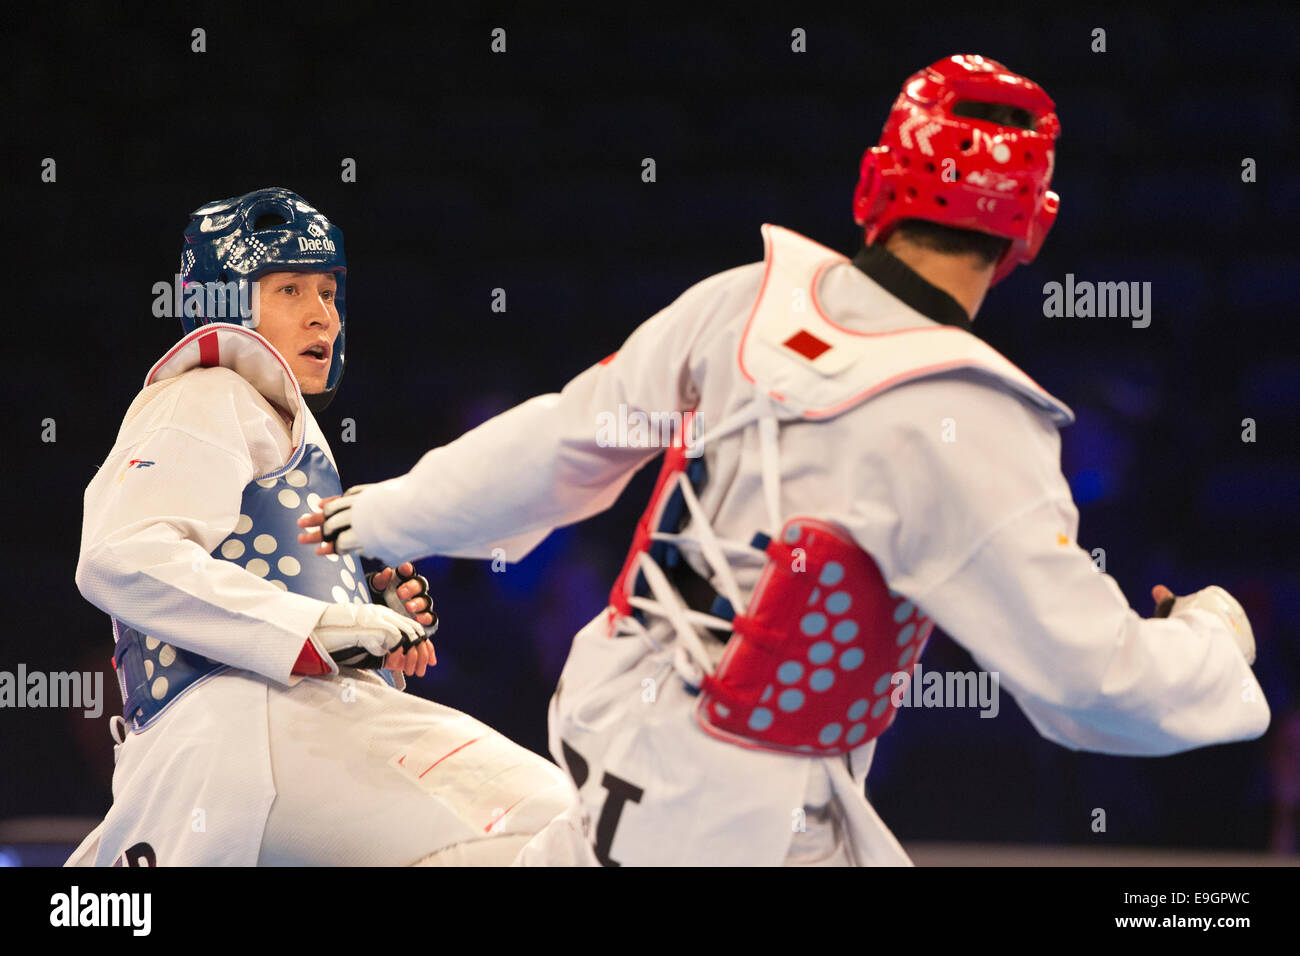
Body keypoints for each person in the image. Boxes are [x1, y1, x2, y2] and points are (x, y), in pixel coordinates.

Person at [302, 56, 1270, 866]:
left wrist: (388, 511)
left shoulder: (745, 302)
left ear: (871, 183)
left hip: (606, 747)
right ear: (1031, 229)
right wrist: (1215, 640)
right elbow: (1090, 685)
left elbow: (559, 443)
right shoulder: (972, 423)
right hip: (737, 825)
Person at [68, 186, 573, 866]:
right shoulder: (208, 389)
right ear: (224, 301)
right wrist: (312, 627)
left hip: (263, 747)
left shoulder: (286, 427)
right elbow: (119, 551)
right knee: (557, 825)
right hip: (242, 732)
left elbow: (264, 597)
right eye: (289, 290)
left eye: (329, 294)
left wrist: (362, 628)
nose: (321, 316)